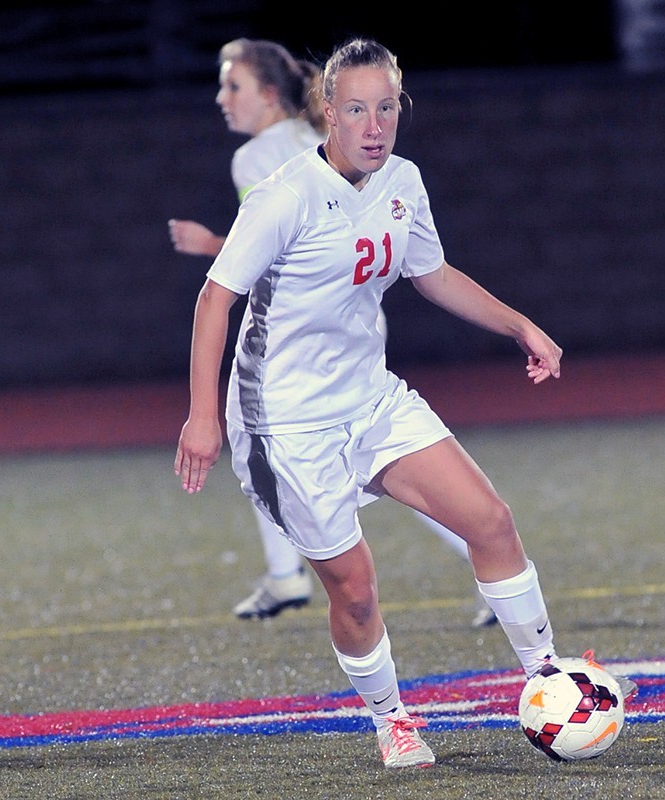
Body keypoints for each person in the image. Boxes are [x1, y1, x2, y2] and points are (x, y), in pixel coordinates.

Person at [174, 37, 565, 769]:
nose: (374, 125)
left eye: (386, 108)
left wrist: (520, 325)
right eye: (356, 109)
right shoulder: (286, 195)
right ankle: (393, 722)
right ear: (328, 112)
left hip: (372, 400)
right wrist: (201, 417)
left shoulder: (403, 183)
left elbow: (433, 273)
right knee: (354, 591)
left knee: (491, 521)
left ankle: (549, 679)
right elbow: (214, 298)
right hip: (283, 424)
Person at [168, 37, 495, 628]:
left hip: (314, 338)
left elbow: (270, 249)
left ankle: (291, 574)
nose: (222, 98)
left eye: (233, 85)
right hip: (358, 322)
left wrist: (209, 245)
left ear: (269, 94)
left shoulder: (259, 158)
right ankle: (285, 574)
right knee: (367, 463)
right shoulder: (313, 141)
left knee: (276, 440)